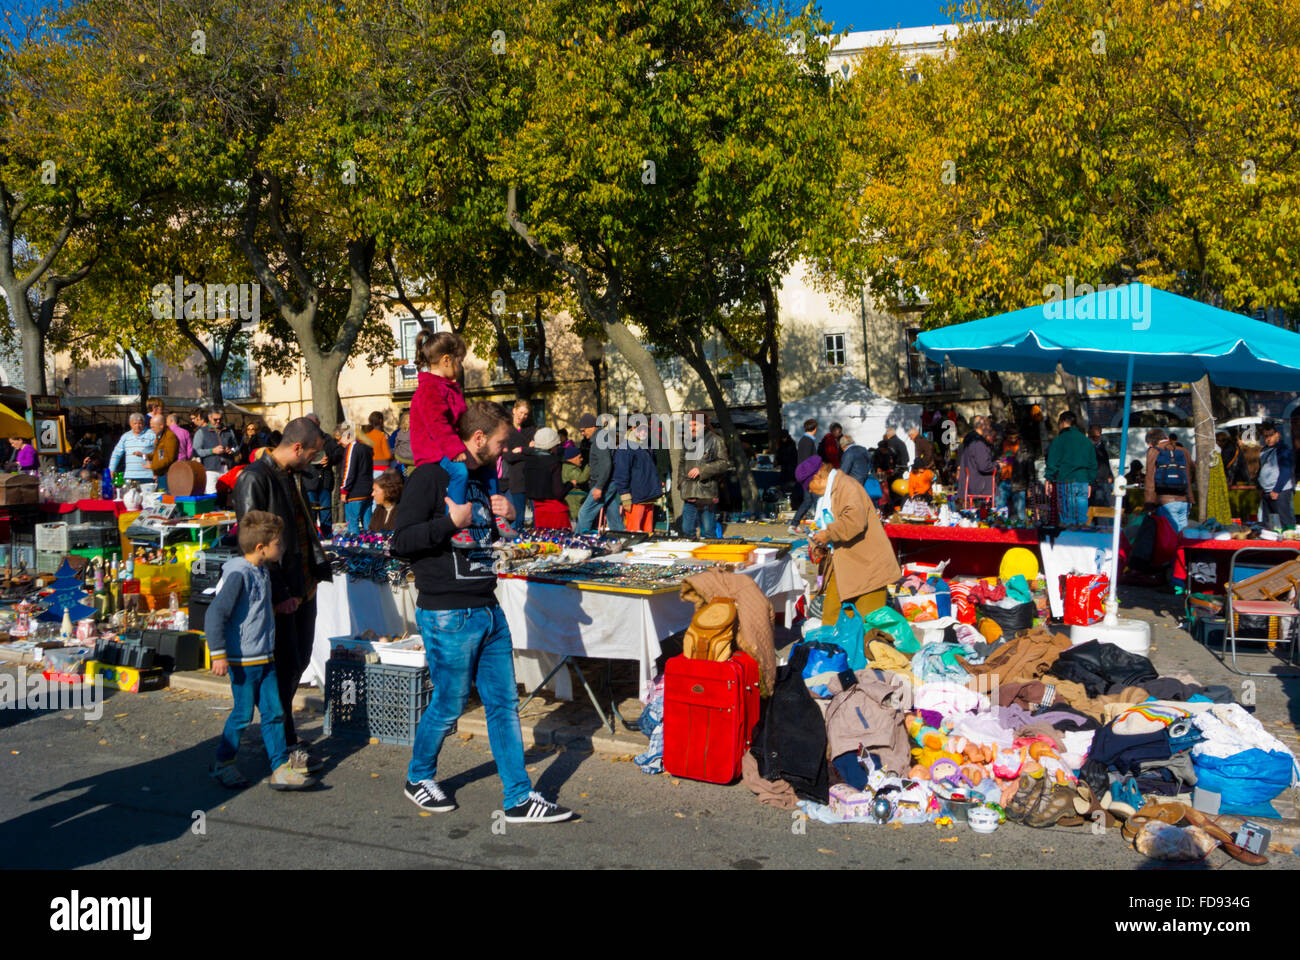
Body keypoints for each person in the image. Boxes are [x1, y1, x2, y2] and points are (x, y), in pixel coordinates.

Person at [391, 400, 573, 823]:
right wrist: (447, 524)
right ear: (478, 439)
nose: (506, 449)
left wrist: (513, 517)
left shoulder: (480, 478)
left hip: (488, 608)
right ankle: (419, 777)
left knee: (503, 704)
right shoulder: (430, 477)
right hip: (448, 613)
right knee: (450, 705)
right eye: (501, 442)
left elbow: (489, 534)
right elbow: (400, 542)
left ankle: (518, 798)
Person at [231, 417, 332, 766]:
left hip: (303, 584)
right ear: (298, 447)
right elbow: (252, 543)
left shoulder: (291, 475)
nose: (316, 460)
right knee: (286, 666)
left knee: (298, 661)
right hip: (282, 590)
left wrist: (313, 575)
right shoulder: (254, 477)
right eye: (313, 454)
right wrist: (277, 591)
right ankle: (283, 742)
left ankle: (285, 736)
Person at [206, 510, 317, 791]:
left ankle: (280, 767)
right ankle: (223, 763)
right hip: (243, 661)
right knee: (243, 715)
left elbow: (253, 610)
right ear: (261, 548)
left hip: (265, 657)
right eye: (278, 544)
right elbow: (216, 614)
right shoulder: (239, 574)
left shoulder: (261, 571)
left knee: (274, 712)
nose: (282, 548)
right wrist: (218, 653)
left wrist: (277, 608)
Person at [409, 331, 511, 545]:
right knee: (460, 472)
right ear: (447, 360)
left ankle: (497, 513)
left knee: (488, 467)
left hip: (449, 446)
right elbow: (438, 424)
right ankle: (456, 524)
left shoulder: (449, 388)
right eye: (460, 361)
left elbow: (462, 421)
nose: (461, 367)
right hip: (434, 451)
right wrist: (456, 450)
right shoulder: (429, 389)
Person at [801, 455, 902, 627]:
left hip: (868, 566)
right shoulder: (834, 489)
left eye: (809, 487)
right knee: (832, 617)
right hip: (847, 565)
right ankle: (833, 651)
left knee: (869, 624)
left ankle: (866, 652)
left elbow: (854, 520)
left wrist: (829, 534)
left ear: (817, 477)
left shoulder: (846, 486)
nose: (810, 491)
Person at [678, 412, 731, 539]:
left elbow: (724, 463)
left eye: (695, 424)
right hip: (689, 492)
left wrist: (702, 470)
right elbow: (681, 464)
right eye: (690, 425)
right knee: (687, 529)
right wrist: (681, 484)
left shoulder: (716, 440)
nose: (692, 428)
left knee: (708, 530)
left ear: (703, 424)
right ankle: (691, 556)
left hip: (706, 492)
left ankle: (710, 556)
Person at [1043, 411, 1094, 526]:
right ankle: (1083, 541)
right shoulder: (1086, 441)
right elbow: (1092, 464)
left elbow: (1052, 463)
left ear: (1061, 423)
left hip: (1066, 481)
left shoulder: (1058, 440)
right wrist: (1090, 482)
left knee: (1067, 520)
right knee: (1082, 519)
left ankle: (1069, 542)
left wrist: (1049, 479)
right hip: (1083, 481)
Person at [576, 414, 624, 533]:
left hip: (604, 483)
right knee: (612, 513)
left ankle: (580, 541)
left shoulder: (600, 440)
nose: (582, 433)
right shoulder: (602, 438)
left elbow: (606, 464)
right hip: (610, 482)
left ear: (592, 427)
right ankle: (620, 537)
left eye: (583, 430)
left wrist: (599, 487)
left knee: (585, 512)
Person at [613, 422, 662, 533]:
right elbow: (621, 474)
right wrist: (625, 497)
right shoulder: (625, 448)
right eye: (641, 429)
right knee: (634, 533)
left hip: (648, 497)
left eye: (646, 429)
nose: (644, 432)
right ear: (633, 428)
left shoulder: (646, 446)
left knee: (648, 533)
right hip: (636, 498)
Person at [300, 412, 343, 538]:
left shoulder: (327, 439)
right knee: (311, 513)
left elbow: (339, 453)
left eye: (314, 425)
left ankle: (327, 537)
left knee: (326, 513)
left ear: (318, 424)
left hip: (325, 481)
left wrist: (330, 459)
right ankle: (312, 538)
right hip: (309, 481)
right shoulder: (302, 440)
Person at [1143, 427, 1193, 533]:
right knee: (1183, 538)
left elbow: (1150, 479)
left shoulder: (1153, 451)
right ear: (1166, 437)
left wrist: (1149, 504)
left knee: (1170, 538)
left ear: (1150, 443)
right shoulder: (1183, 450)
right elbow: (1193, 471)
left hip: (1165, 501)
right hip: (1185, 500)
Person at [524, 426, 570, 529]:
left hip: (538, 510)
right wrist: (570, 484)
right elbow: (559, 492)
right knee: (560, 542)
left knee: (543, 542)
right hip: (556, 510)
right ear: (551, 446)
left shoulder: (528, 462)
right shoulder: (554, 462)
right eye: (556, 445)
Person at [500, 399, 536, 527]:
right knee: (518, 519)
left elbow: (536, 450)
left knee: (537, 519)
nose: (522, 416)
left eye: (526, 414)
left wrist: (521, 449)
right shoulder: (506, 430)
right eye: (521, 412)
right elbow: (508, 456)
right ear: (514, 411)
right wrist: (528, 449)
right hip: (516, 479)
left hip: (531, 477)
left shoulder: (530, 429)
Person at [1258, 421, 1294, 530]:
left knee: (1285, 521)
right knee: (1268, 524)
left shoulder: (1283, 450)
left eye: (1271, 435)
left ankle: (1289, 543)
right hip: (1266, 491)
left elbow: (1286, 471)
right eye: (1266, 436)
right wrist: (1259, 487)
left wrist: (1277, 490)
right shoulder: (1264, 450)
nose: (1268, 438)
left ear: (1277, 435)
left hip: (1279, 492)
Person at [194, 406, 239, 494]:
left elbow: (236, 447)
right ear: (209, 418)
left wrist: (232, 450)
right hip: (210, 470)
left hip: (227, 468)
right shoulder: (201, 432)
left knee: (227, 495)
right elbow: (196, 451)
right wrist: (212, 451)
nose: (218, 421)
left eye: (220, 419)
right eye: (215, 419)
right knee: (212, 495)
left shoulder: (228, 431)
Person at [339, 423, 374, 533]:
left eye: (340, 438)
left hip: (354, 492)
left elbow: (349, 471)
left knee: (353, 523)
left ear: (348, 436)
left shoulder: (352, 448)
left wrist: (344, 490)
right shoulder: (366, 447)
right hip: (367, 491)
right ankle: (371, 544)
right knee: (368, 524)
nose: (339, 442)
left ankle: (354, 548)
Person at [995, 425, 1034, 522]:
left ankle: (1021, 530)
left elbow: (1030, 466)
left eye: (1015, 437)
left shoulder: (1025, 447)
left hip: (1019, 481)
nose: (1013, 439)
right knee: (999, 510)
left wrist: (1031, 483)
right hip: (1003, 481)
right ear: (1006, 435)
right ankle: (999, 528)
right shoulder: (1000, 445)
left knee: (1020, 512)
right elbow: (995, 459)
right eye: (1010, 437)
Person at [956, 417, 996, 509]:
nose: (989, 428)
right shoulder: (978, 443)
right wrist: (996, 466)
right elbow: (983, 466)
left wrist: (958, 468)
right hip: (978, 485)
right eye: (988, 425)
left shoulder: (969, 439)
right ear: (983, 426)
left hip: (970, 483)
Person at [789, 419, 820, 532]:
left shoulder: (804, 440)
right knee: (817, 500)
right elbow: (808, 461)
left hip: (806, 475)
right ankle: (819, 525)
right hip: (809, 476)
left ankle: (794, 524)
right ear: (815, 428)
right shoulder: (808, 441)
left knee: (808, 501)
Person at [108, 412, 157, 483]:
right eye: (135, 423)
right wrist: (111, 470)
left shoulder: (151, 434)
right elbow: (116, 454)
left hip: (147, 476)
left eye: (140, 423)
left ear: (144, 423)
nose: (138, 426)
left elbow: (158, 453)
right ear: (130, 424)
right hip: (129, 476)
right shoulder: (125, 436)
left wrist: (157, 472)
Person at [145, 413, 179, 491]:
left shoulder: (170, 437)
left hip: (167, 474)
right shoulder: (160, 435)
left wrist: (153, 466)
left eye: (153, 427)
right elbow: (160, 453)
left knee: (167, 499)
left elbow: (169, 458)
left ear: (161, 426)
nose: (151, 429)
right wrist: (147, 456)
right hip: (161, 474)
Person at [562, 441, 589, 521]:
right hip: (575, 502)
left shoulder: (565, 467)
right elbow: (581, 479)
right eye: (579, 457)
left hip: (572, 501)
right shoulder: (571, 469)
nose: (582, 459)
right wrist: (589, 466)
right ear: (572, 458)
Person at [370, 468, 403, 532]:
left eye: (375, 491)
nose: (372, 494)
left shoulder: (401, 512)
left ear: (387, 491)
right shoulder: (378, 510)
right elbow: (371, 531)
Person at [1088, 424, 1114, 507]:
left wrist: (1110, 475)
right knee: (1097, 506)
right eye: (1094, 436)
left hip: (1104, 481)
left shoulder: (1102, 446)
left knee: (1104, 506)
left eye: (1098, 436)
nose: (1096, 438)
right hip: (1095, 481)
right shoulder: (1088, 447)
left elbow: (1105, 462)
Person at [391, 409, 414, 476]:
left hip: (402, 461)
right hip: (415, 459)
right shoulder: (417, 431)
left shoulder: (398, 432)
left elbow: (394, 446)